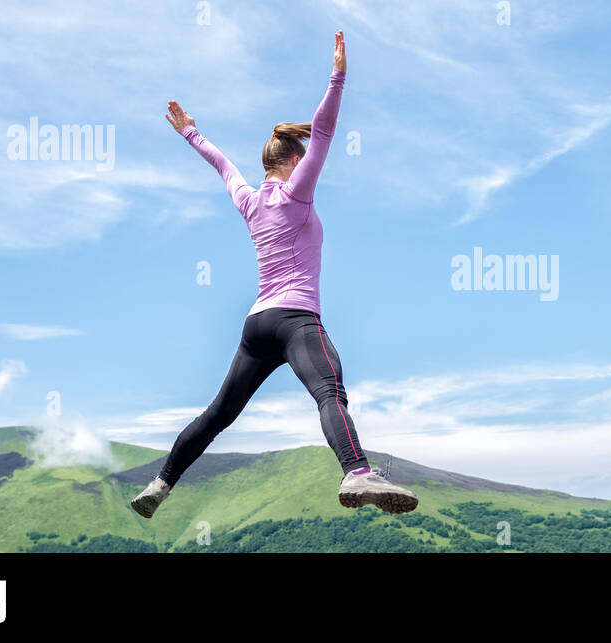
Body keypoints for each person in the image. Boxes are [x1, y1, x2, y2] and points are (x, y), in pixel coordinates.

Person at [131, 31, 417, 519]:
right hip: (295, 318)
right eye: (302, 157)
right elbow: (324, 129)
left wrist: (190, 133)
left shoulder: (248, 199)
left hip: (256, 326)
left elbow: (222, 165)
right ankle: (357, 471)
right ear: (293, 161)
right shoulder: (296, 193)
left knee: (219, 413)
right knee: (329, 391)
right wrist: (338, 76)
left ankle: (160, 484)